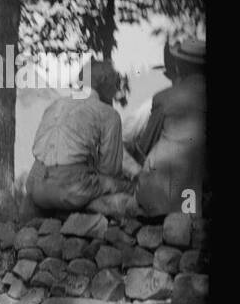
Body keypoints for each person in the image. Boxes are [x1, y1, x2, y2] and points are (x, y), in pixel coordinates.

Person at [25, 58, 130, 212]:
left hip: (34, 185)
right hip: (69, 190)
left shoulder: (55, 105)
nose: (116, 89)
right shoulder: (108, 114)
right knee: (126, 187)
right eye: (114, 82)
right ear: (104, 80)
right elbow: (110, 171)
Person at [127, 37, 206, 218]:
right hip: (194, 197)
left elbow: (144, 148)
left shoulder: (163, 98)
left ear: (179, 67)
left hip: (161, 195)